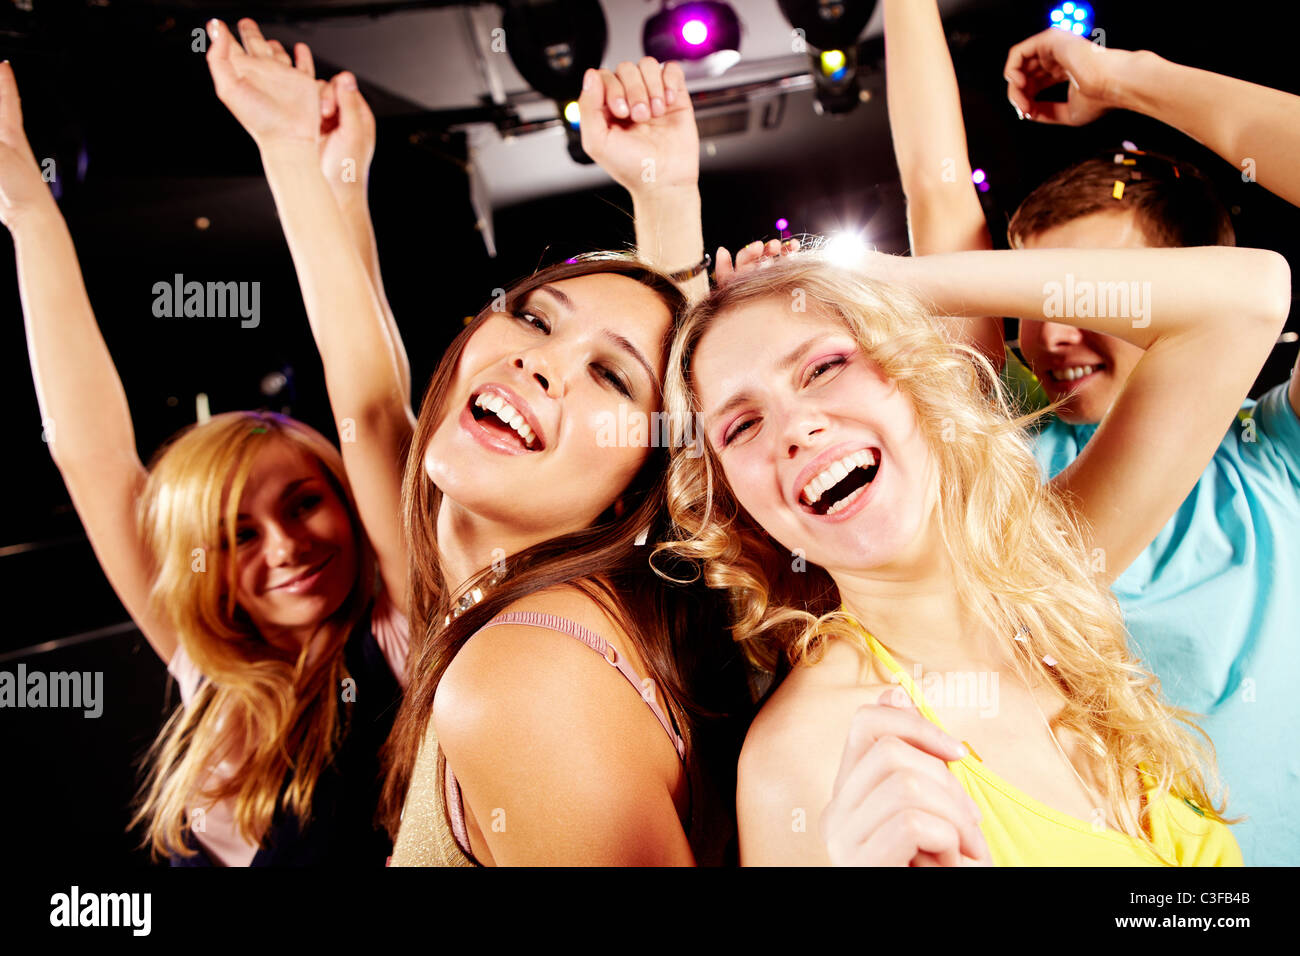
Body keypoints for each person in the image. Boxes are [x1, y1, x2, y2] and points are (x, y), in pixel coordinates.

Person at [203, 19, 749, 866]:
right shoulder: (476, 600)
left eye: (609, 377)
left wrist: (670, 202)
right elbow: (368, 404)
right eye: (535, 317)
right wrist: (290, 150)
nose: (540, 361)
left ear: (637, 490)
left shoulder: (526, 673)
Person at [658, 234, 1289, 865]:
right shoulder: (803, 762)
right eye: (743, 425)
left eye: (824, 368)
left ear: (912, 373)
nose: (797, 427)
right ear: (735, 501)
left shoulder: (1051, 573)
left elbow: (1248, 300)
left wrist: (892, 283)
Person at [886, 1, 1300, 864]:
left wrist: (1126, 76)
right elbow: (935, 184)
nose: (1052, 333)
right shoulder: (1002, 459)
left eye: (1090, 291)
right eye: (1034, 294)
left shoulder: (1275, 458)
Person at [1, 61, 409, 865]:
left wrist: (323, 180)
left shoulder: (399, 636)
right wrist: (23, 207)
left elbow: (371, 410)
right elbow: (88, 454)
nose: (285, 546)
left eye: (303, 502)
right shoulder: (212, 681)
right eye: (236, 535)